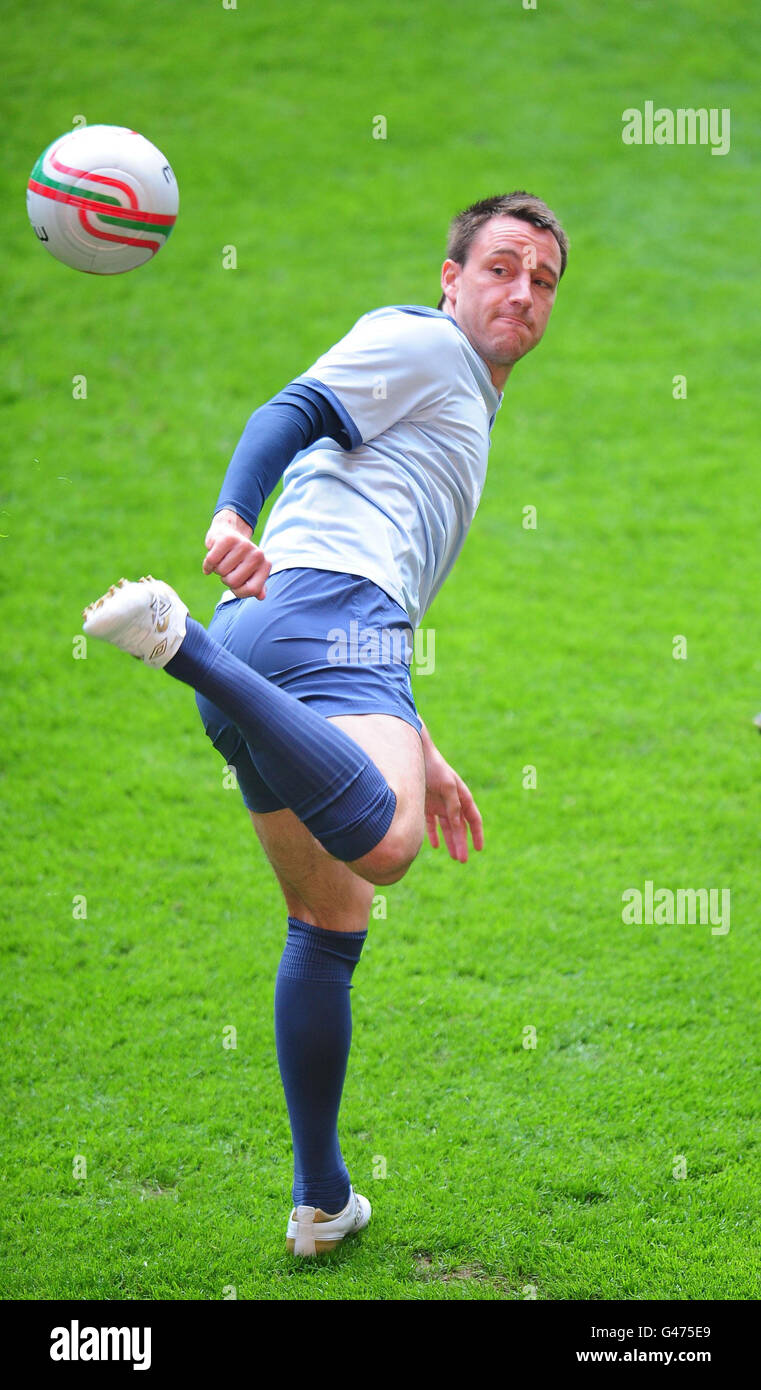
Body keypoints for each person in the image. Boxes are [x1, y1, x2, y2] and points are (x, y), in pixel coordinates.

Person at [83, 192, 568, 1257]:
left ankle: (320, 1201)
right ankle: (179, 645)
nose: (519, 291)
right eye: (498, 267)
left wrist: (421, 741)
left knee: (328, 919)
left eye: (540, 280)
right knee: (387, 844)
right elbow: (287, 411)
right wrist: (228, 512)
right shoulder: (423, 342)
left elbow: (368, 533)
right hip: (314, 625)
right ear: (448, 275)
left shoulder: (457, 400)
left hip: (276, 643)